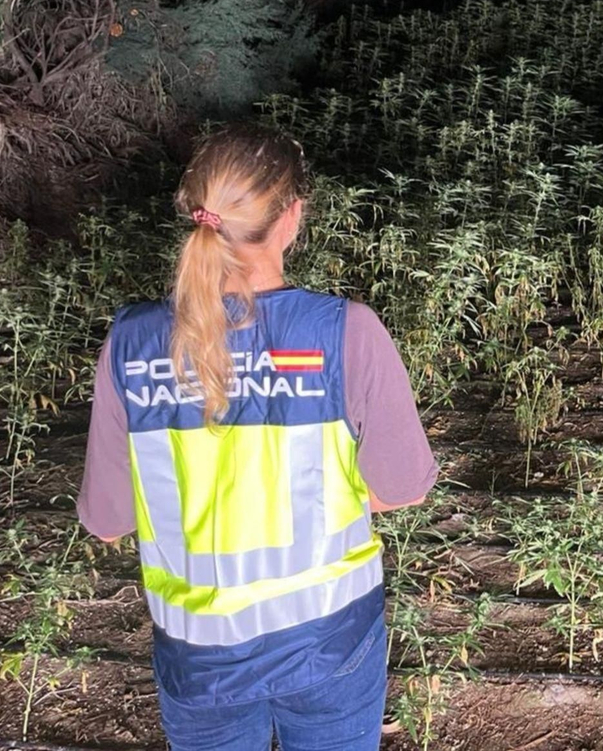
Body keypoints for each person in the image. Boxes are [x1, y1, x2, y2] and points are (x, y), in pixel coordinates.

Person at [76, 124, 436, 751]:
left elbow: (109, 521)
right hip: (330, 648)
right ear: (292, 216)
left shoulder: (131, 343)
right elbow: (401, 489)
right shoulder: (345, 332)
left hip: (199, 661)